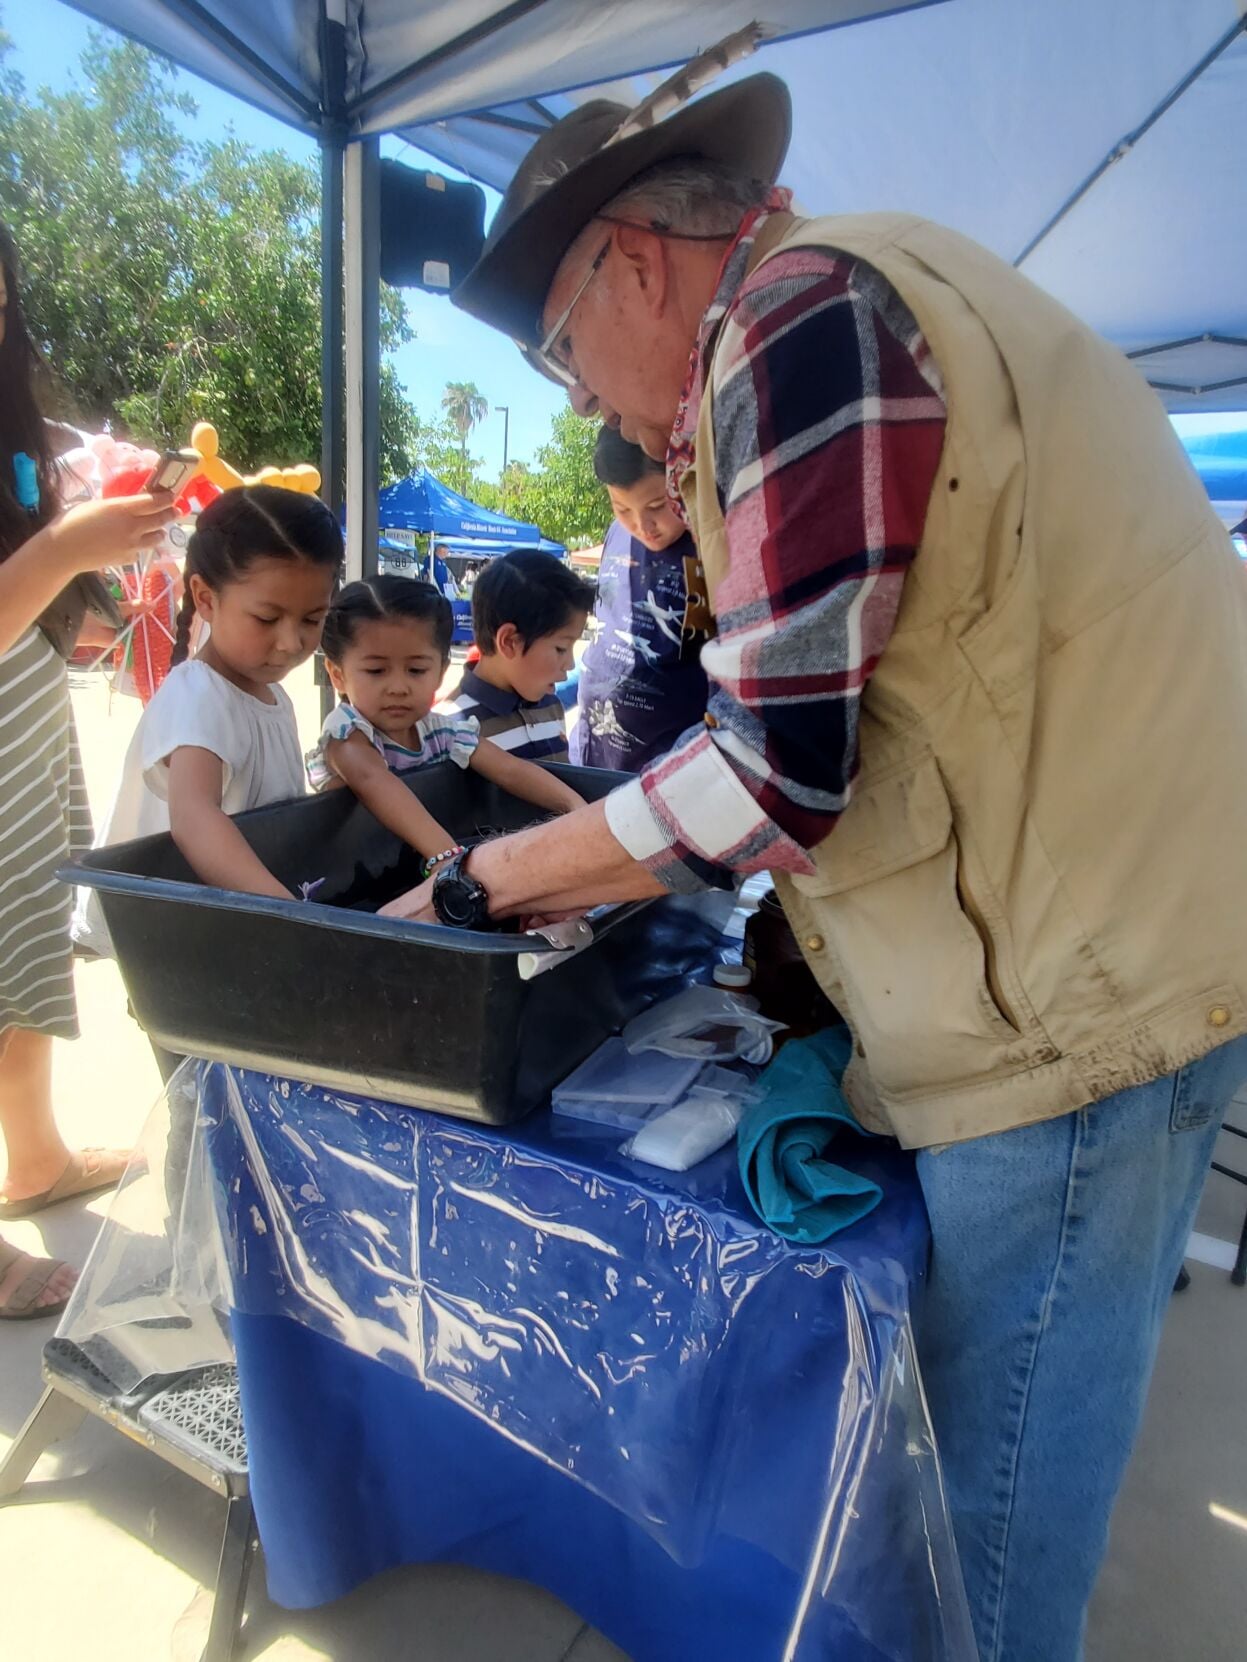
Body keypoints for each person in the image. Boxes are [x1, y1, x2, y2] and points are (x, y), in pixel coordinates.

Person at [389, 71, 1247, 1662]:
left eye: (566, 354)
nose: (597, 412)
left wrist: (480, 884)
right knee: (992, 1459)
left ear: (634, 264)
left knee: (983, 1529)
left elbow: (770, 772)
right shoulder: (856, 288)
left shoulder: (796, 317)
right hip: (1107, 944)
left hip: (1077, 999)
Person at [0, 221, 176, 1309]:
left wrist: (80, 547)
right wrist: (68, 547)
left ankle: (35, 1155)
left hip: (20, 714)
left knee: (20, 942)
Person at [78, 485, 341, 930]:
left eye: (312, 620)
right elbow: (195, 818)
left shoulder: (274, 697)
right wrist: (293, 916)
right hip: (173, 932)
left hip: (236, 920)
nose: (292, 642)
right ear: (205, 598)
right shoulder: (198, 696)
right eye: (267, 618)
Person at [307, 575, 584, 875]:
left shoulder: (440, 730)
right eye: (376, 671)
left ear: (440, 672)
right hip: (349, 875)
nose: (398, 687)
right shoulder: (347, 732)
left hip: (405, 867)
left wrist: (575, 806)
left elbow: (509, 769)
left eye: (416, 670)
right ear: (337, 675)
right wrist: (449, 859)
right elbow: (374, 782)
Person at [575, 425, 708, 770]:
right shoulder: (616, 535)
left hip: (667, 761)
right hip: (593, 746)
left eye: (657, 505)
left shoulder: (709, 545)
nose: (642, 525)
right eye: (622, 508)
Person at [438, 550, 595, 764]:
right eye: (561, 648)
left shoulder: (551, 707)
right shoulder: (449, 729)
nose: (570, 664)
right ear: (510, 641)